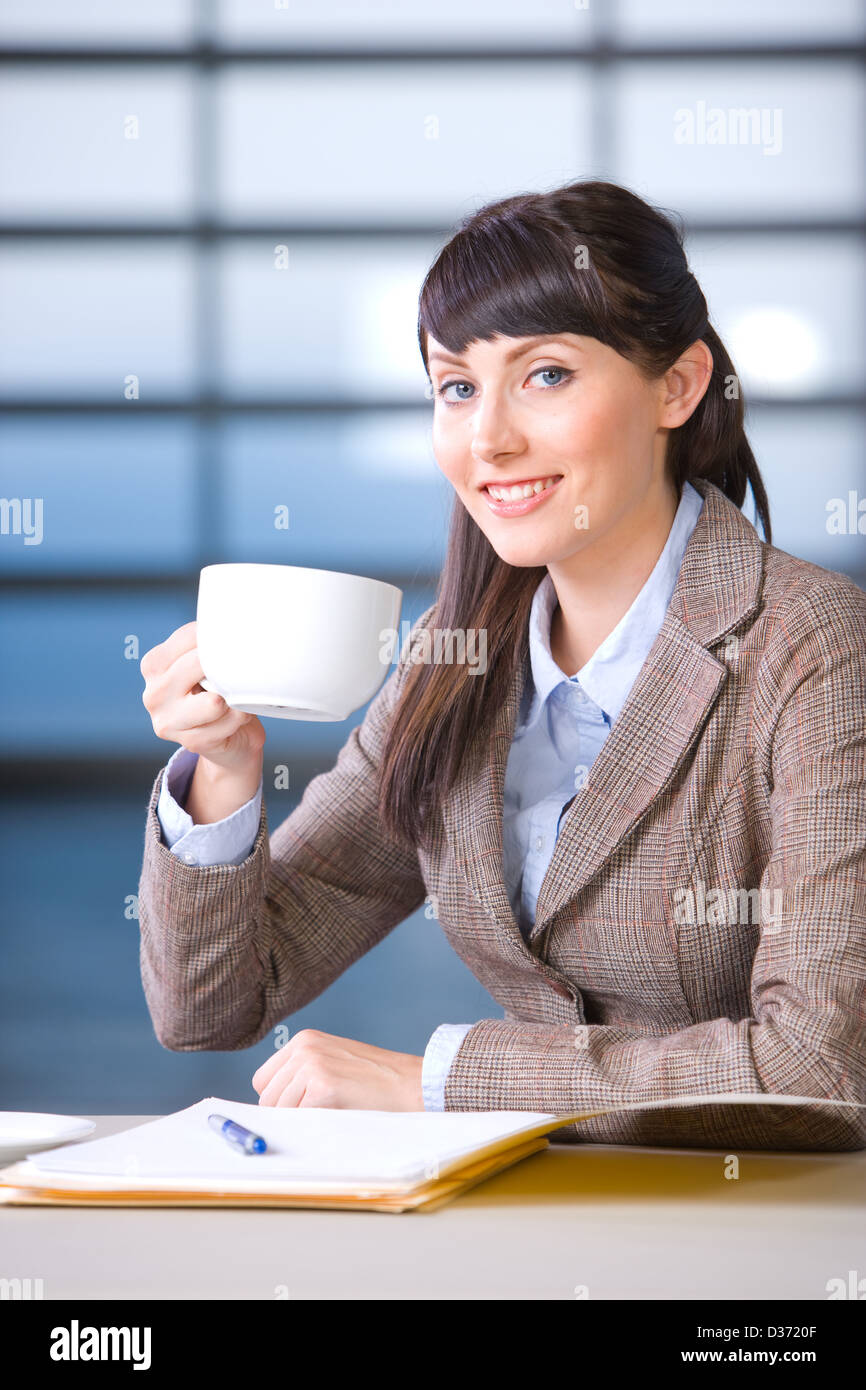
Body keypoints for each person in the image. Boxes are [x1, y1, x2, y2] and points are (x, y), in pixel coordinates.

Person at [138, 179, 866, 1150]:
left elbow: (820, 1070)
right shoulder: (457, 655)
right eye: (456, 386)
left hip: (768, 1229)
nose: (488, 438)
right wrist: (222, 775)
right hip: (546, 1224)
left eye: (546, 374)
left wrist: (439, 1082)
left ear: (677, 385)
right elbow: (212, 1004)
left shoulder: (811, 641)